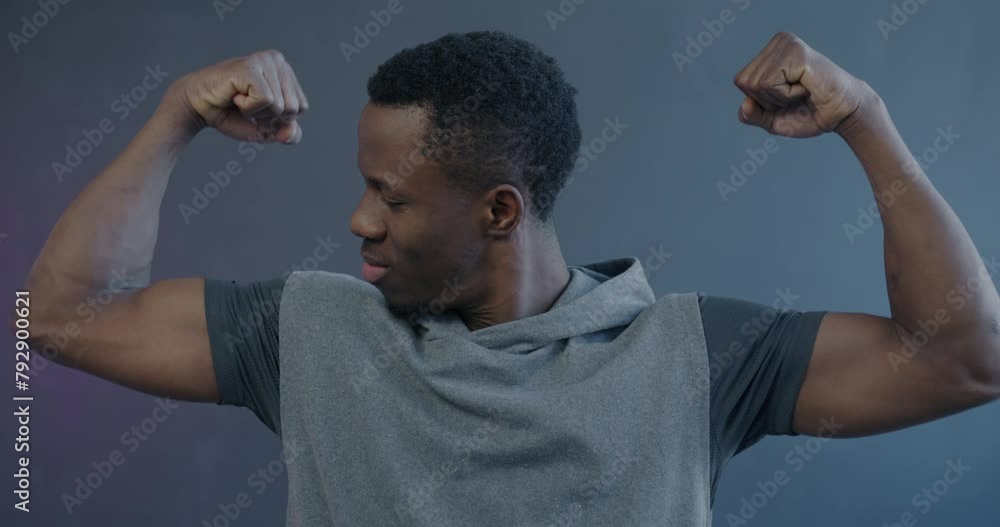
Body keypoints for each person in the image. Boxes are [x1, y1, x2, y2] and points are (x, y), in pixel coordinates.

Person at [13, 30, 1000, 526]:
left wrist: (864, 116)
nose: (359, 219)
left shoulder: (699, 355)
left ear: (497, 211)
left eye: (389, 196)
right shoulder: (307, 333)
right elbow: (55, 316)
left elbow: (963, 356)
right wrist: (176, 112)